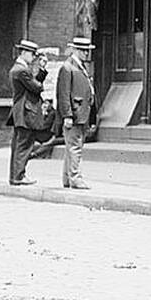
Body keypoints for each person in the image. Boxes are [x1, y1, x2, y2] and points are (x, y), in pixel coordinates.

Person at [55, 35, 96, 190]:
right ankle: (75, 178)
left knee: (71, 147)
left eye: (87, 50)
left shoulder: (78, 66)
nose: (86, 53)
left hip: (80, 114)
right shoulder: (68, 67)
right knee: (75, 147)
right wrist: (67, 115)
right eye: (83, 50)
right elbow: (63, 94)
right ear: (76, 50)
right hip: (75, 115)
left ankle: (67, 178)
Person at [7, 39, 47, 186]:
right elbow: (37, 88)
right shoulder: (21, 70)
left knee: (18, 144)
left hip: (20, 111)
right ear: (23, 52)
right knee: (24, 145)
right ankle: (19, 176)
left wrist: (41, 71)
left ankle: (15, 176)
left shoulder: (18, 69)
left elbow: (33, 84)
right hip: (26, 111)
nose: (33, 57)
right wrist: (40, 75)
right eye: (32, 54)